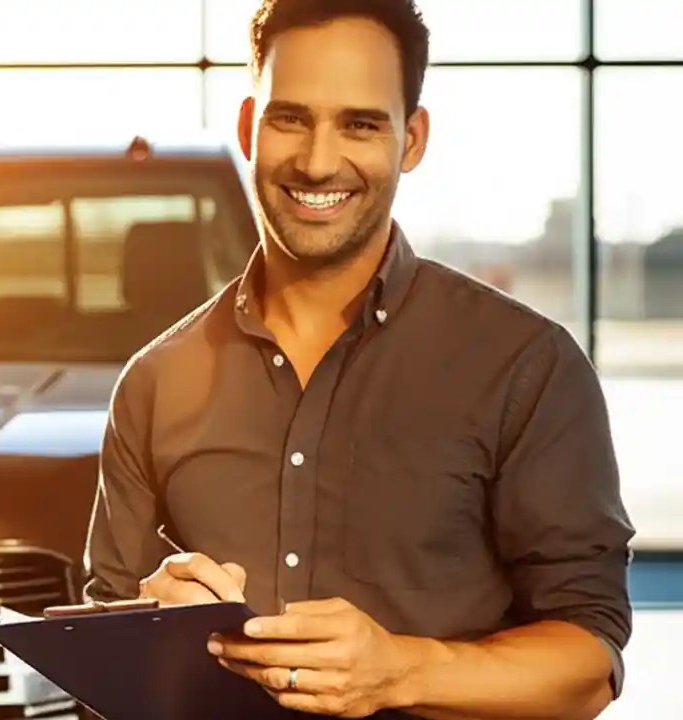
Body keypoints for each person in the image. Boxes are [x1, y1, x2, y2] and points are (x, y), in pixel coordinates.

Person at [81, 0, 635, 718]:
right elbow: (96, 661)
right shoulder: (156, 382)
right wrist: (142, 634)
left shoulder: (526, 366)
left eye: (361, 124)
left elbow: (590, 663)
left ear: (411, 139)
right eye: (291, 119)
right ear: (251, 128)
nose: (317, 160)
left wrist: (402, 671)